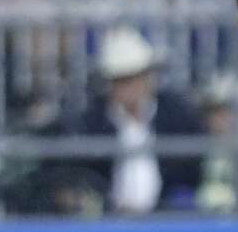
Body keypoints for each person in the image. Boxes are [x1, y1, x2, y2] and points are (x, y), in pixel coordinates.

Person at [65, 27, 205, 214]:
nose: (129, 87)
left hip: (168, 217)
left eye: (134, 77)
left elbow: (194, 167)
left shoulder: (176, 114)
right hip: (110, 218)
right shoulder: (94, 121)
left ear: (148, 77)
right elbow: (86, 173)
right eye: (121, 80)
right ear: (110, 83)